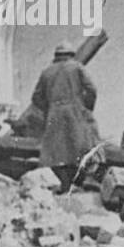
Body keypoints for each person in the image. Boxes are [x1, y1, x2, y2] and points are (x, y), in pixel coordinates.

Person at [31, 41, 99, 191]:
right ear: (71, 55)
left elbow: (36, 97)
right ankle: (83, 182)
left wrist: (49, 107)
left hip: (54, 114)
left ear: (56, 56)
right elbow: (91, 89)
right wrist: (87, 107)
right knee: (83, 147)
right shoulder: (76, 67)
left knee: (56, 153)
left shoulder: (46, 72)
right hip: (75, 111)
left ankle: (65, 185)